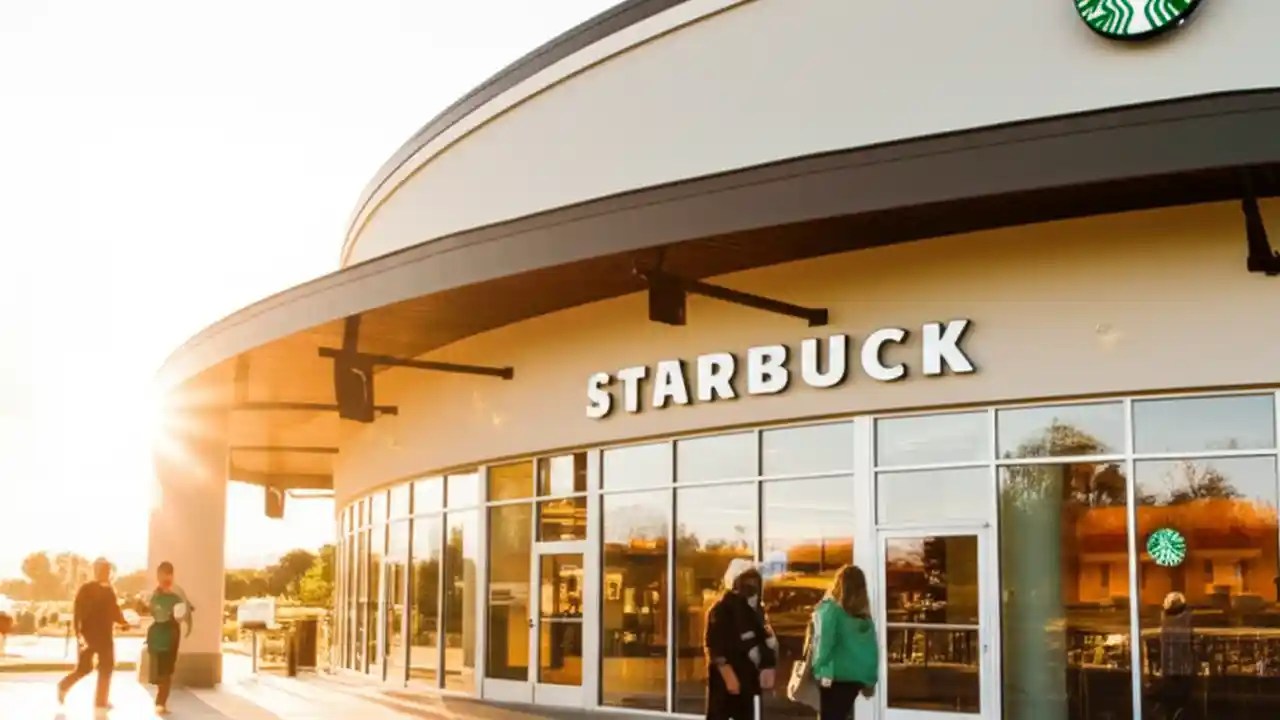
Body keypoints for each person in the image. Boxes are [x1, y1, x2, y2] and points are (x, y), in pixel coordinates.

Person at [705, 559, 778, 720]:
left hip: (747, 676)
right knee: (720, 714)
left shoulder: (754, 609)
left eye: (754, 581)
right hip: (727, 677)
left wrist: (768, 664)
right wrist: (728, 674)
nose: (752, 587)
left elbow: (763, 638)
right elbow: (715, 646)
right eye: (747, 581)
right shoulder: (722, 609)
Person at [57, 557, 131, 710]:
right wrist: (78, 633)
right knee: (84, 668)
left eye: (107, 570)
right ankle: (63, 686)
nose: (105, 573)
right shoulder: (87, 589)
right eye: (102, 569)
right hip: (89, 635)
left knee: (107, 666)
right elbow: (78, 612)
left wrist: (122, 622)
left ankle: (101, 700)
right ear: (95, 571)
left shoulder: (109, 590)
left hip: (105, 636)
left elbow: (114, 610)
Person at [812, 565, 878, 720]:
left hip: (834, 678)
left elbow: (824, 643)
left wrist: (816, 667)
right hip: (854, 680)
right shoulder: (864, 618)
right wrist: (870, 679)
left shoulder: (832, 610)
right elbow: (871, 650)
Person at [146, 561, 195, 716]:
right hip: (157, 636)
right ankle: (160, 701)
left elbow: (186, 611)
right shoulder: (154, 596)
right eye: (163, 574)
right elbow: (152, 611)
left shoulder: (176, 596)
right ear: (158, 576)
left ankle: (161, 702)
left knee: (166, 671)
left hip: (171, 637)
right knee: (159, 672)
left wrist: (185, 616)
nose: (166, 578)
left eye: (169, 574)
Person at [1159, 591, 1195, 720]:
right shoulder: (1187, 619)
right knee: (1182, 706)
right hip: (1184, 671)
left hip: (1169, 670)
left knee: (1171, 707)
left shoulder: (1164, 621)